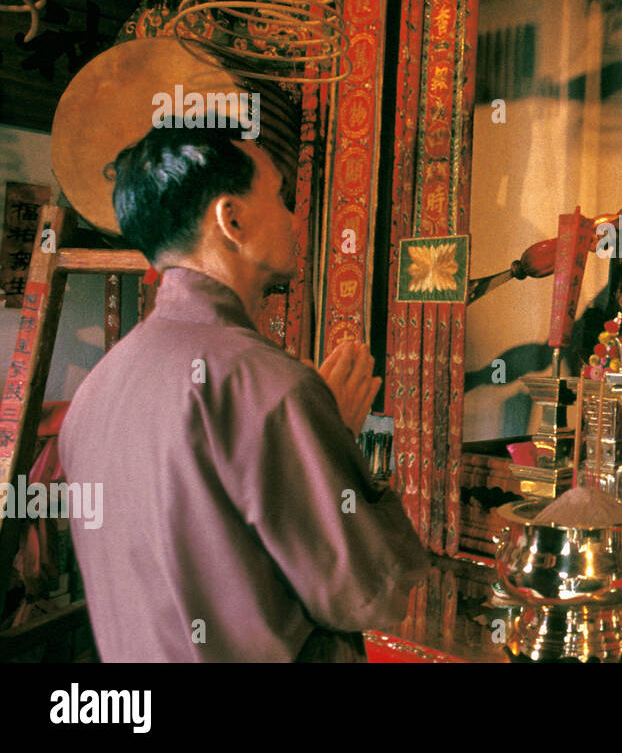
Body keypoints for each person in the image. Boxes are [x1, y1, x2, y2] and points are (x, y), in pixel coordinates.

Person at [58, 127, 428, 662]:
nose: (294, 219)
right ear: (232, 220)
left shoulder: (96, 390)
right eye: (280, 197)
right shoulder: (273, 389)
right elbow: (371, 595)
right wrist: (332, 440)